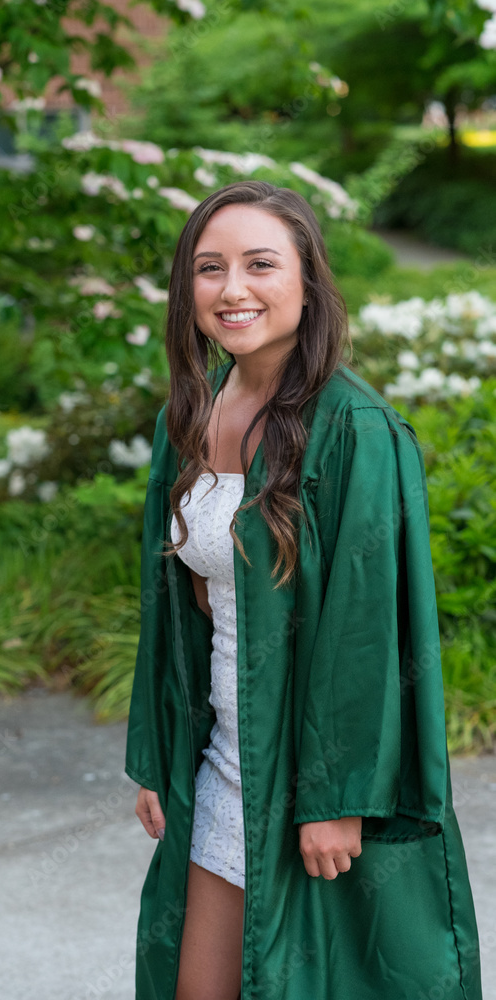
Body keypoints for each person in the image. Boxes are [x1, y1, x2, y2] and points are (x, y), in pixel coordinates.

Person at [125, 180, 483, 1000]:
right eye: (208, 269)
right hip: (223, 762)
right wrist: (157, 752)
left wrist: (336, 797)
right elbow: (175, 609)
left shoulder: (353, 430)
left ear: (307, 279)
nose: (232, 290)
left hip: (304, 771)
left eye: (259, 264)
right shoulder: (191, 412)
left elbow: (367, 630)